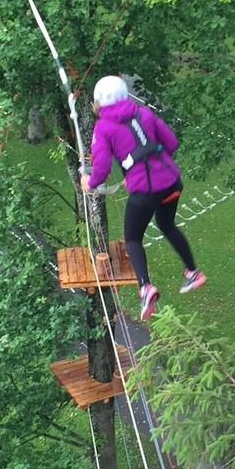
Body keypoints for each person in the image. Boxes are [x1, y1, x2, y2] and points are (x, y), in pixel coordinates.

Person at [80, 76, 206, 320]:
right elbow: (171, 142)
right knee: (167, 224)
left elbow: (102, 168)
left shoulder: (103, 127)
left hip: (146, 191)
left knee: (133, 239)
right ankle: (193, 272)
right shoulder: (144, 113)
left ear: (98, 102)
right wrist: (145, 165)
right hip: (171, 183)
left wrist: (90, 182)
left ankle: (145, 288)